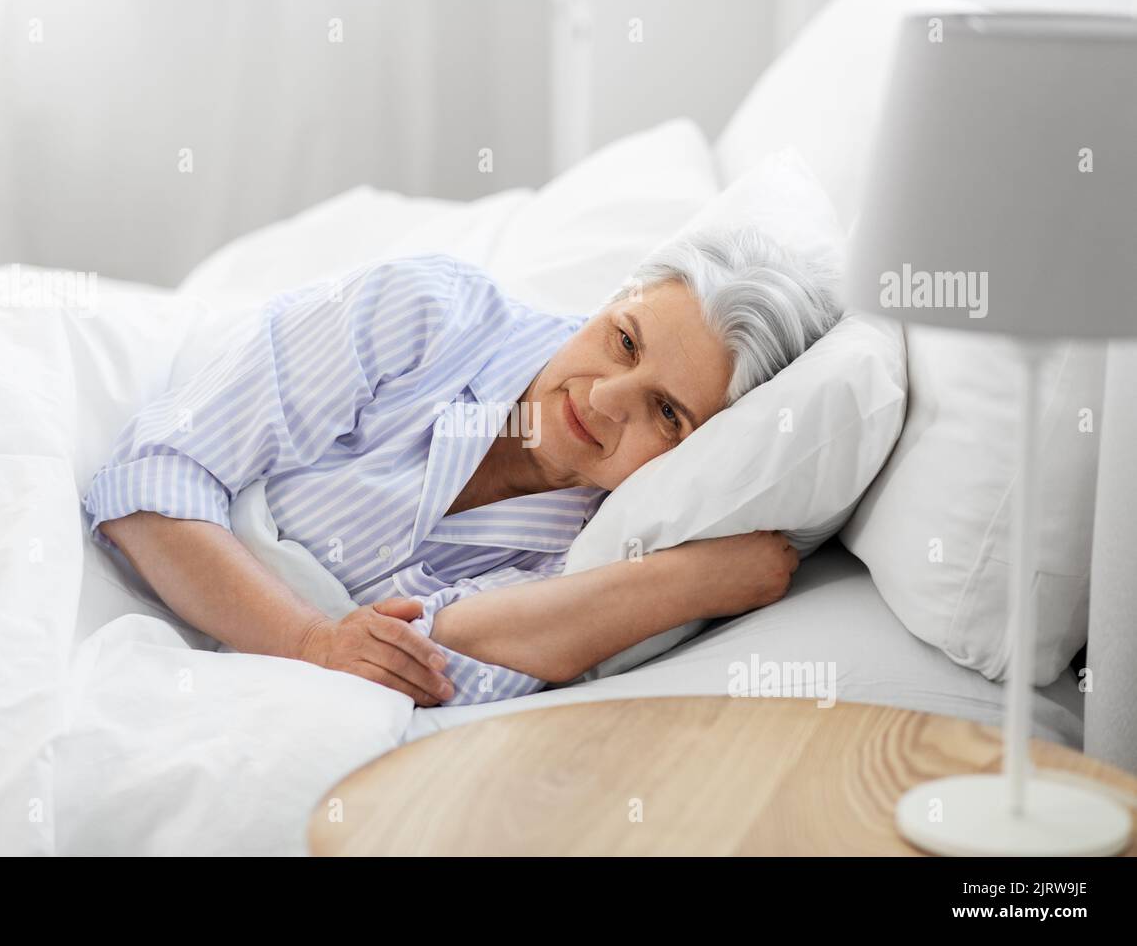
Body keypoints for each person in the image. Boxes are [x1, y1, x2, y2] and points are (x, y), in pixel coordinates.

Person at [84, 228, 842, 706]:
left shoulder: (601, 546)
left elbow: (446, 666)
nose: (606, 399)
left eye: (668, 414)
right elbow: (152, 481)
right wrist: (313, 640)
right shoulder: (423, 312)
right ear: (612, 303)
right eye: (623, 340)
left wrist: (690, 581)